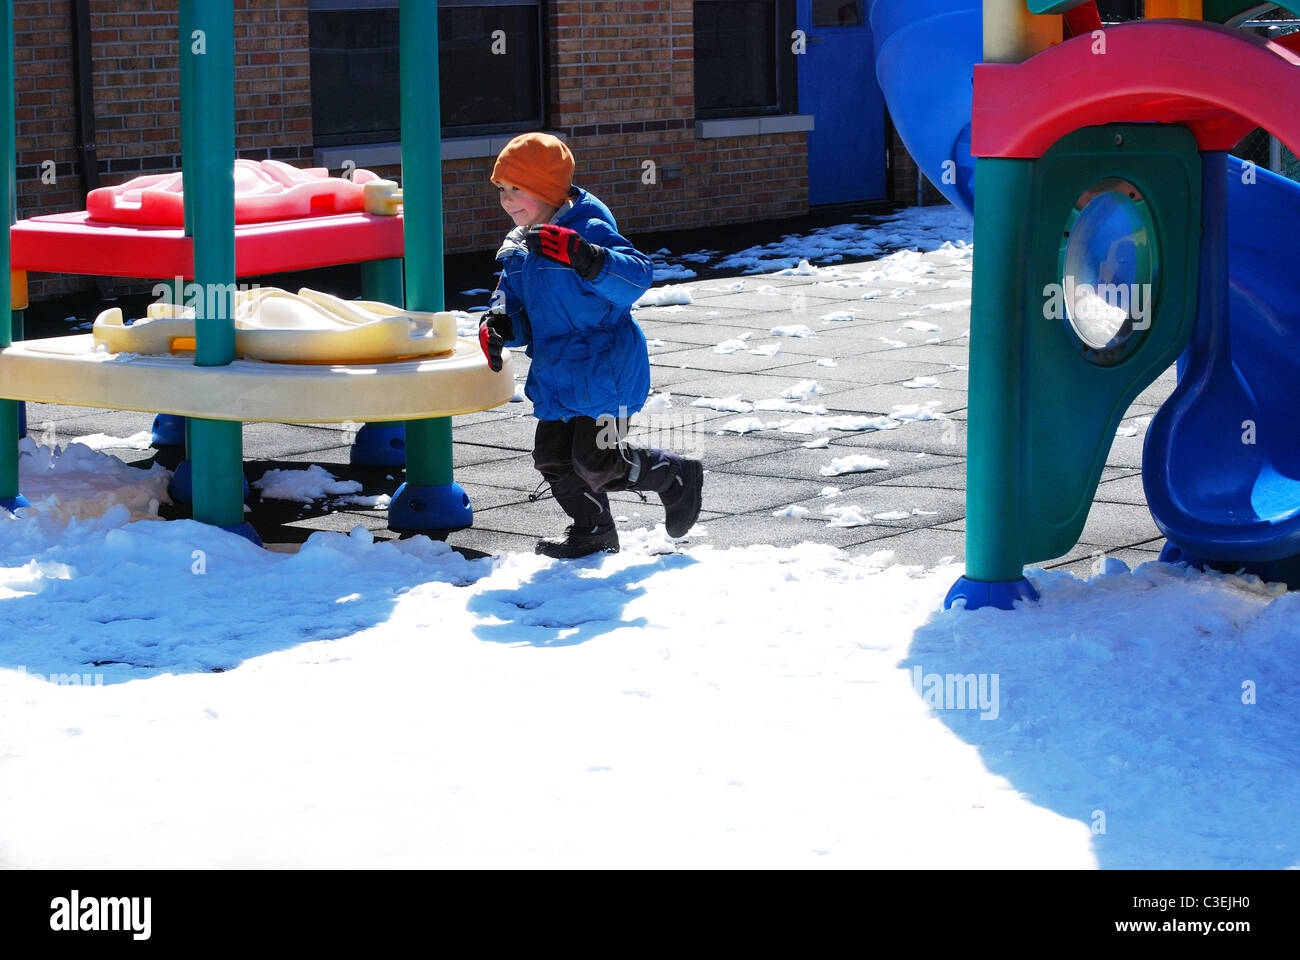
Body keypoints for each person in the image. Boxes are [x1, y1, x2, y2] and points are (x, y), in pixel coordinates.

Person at [478, 132, 704, 558]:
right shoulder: (520, 246)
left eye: (517, 189)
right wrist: (501, 325)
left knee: (597, 460)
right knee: (553, 460)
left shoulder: (588, 229)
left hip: (607, 369)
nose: (507, 201)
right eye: (502, 190)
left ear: (547, 189)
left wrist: (588, 257)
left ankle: (673, 476)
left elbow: (635, 277)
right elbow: (515, 304)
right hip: (557, 371)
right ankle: (593, 532)